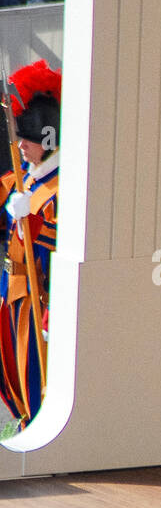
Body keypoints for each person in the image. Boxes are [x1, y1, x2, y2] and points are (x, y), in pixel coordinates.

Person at [2, 59, 61, 429]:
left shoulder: (58, 191)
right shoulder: (25, 179)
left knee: (33, 376)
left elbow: (59, 253)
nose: (21, 145)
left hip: (36, 300)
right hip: (13, 290)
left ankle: (36, 429)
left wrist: (34, 224)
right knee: (11, 369)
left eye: (30, 138)